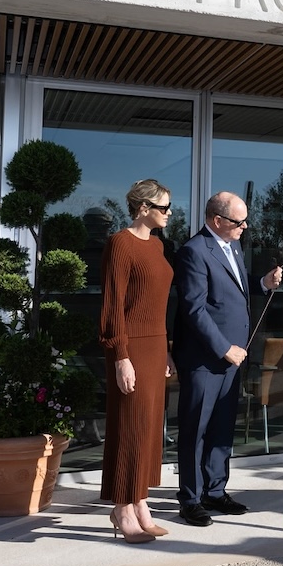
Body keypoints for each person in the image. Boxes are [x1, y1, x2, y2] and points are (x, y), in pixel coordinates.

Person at [172, 191, 283, 527]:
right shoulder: (193, 251)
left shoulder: (232, 245)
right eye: (238, 221)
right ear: (217, 221)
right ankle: (190, 498)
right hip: (207, 358)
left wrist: (262, 283)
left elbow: (234, 290)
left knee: (221, 428)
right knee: (196, 429)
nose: (245, 227)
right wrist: (223, 347)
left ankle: (215, 491)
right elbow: (194, 308)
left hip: (233, 358)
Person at [98, 179, 175, 544]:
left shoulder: (157, 246)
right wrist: (120, 356)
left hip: (156, 346)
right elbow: (114, 305)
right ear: (143, 208)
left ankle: (141, 502)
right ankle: (122, 508)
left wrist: (167, 352)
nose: (169, 213)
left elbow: (156, 305)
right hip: (131, 348)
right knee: (129, 426)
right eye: (163, 207)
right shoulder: (120, 244)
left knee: (147, 428)